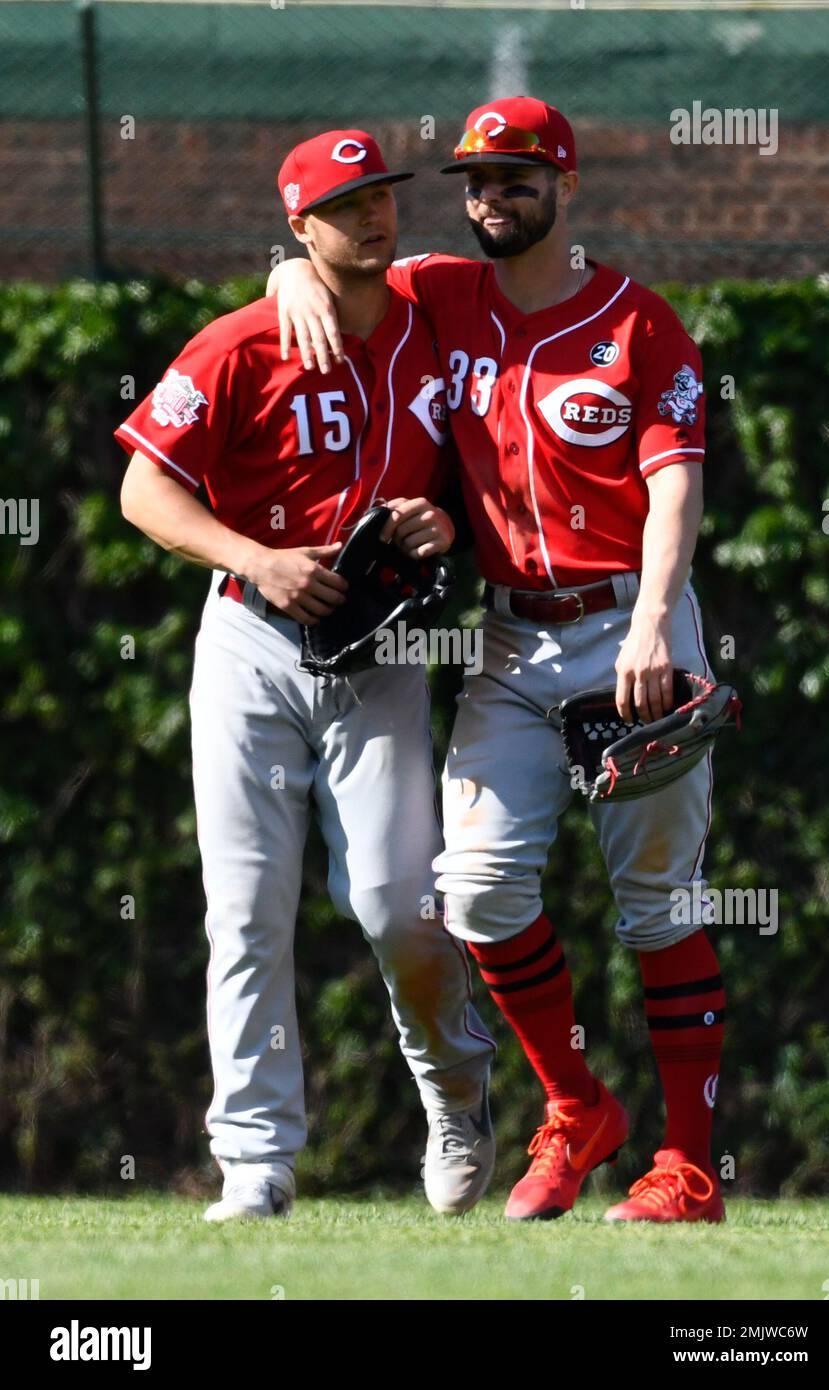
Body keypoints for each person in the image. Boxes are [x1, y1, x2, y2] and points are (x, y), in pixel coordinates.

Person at [268, 97, 726, 1225]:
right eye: (476, 182)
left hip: (634, 618)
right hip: (515, 634)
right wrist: (283, 277)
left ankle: (691, 1170)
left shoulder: (640, 324)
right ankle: (576, 1106)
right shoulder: (442, 293)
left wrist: (653, 626)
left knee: (659, 900)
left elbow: (676, 486)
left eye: (516, 179)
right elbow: (334, 261)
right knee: (473, 887)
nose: (491, 199)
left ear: (565, 186)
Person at [115, 129, 496, 1223]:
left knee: (395, 903)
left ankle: (455, 1092)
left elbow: (491, 478)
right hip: (250, 640)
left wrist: (445, 522)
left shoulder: (437, 321)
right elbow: (146, 491)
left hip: (379, 651)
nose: (373, 215)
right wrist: (255, 555)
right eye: (344, 204)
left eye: (380, 193)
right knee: (244, 911)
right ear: (299, 225)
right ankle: (256, 1163)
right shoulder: (244, 341)